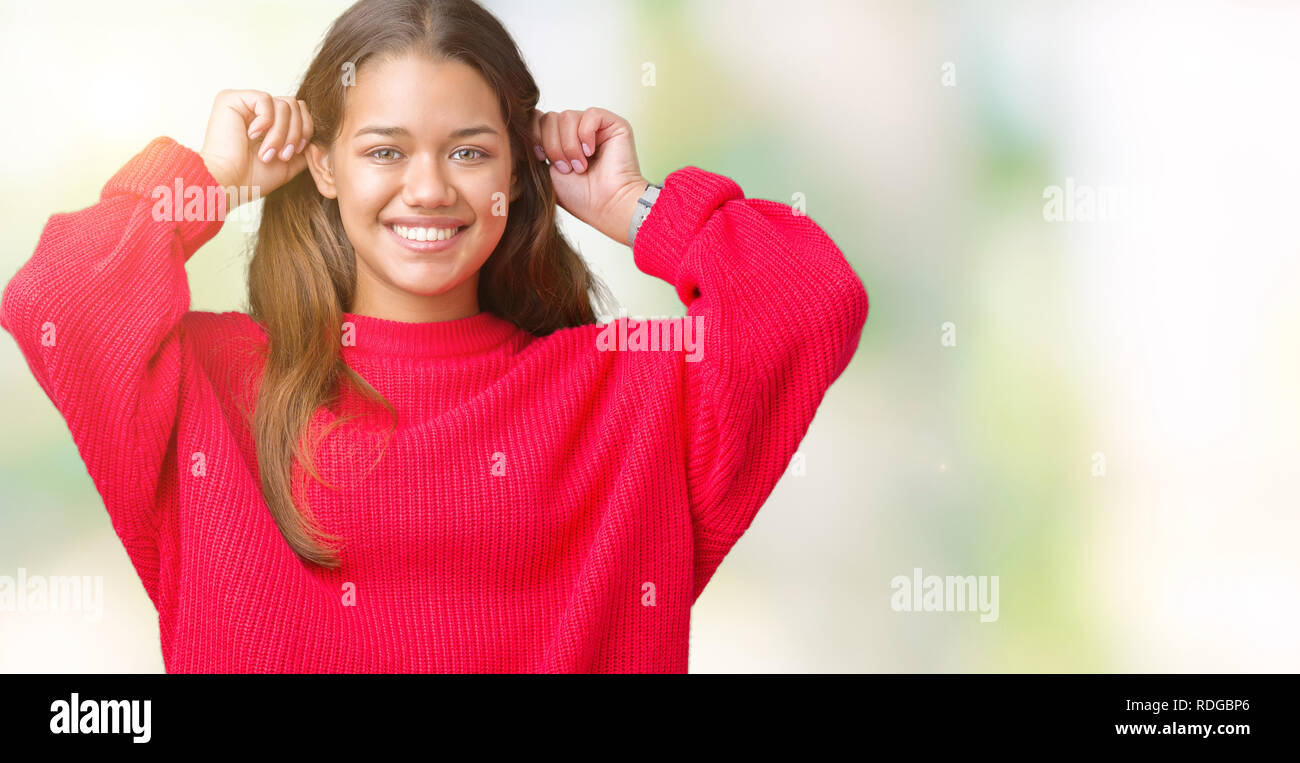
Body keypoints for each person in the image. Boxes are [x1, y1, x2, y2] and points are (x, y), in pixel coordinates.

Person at [0, 0, 868, 673]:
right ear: (323, 166)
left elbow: (811, 302)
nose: (427, 189)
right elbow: (57, 298)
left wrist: (629, 202)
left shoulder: (629, 392)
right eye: (384, 151)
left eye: (468, 151)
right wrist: (211, 180)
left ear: (520, 168)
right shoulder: (213, 390)